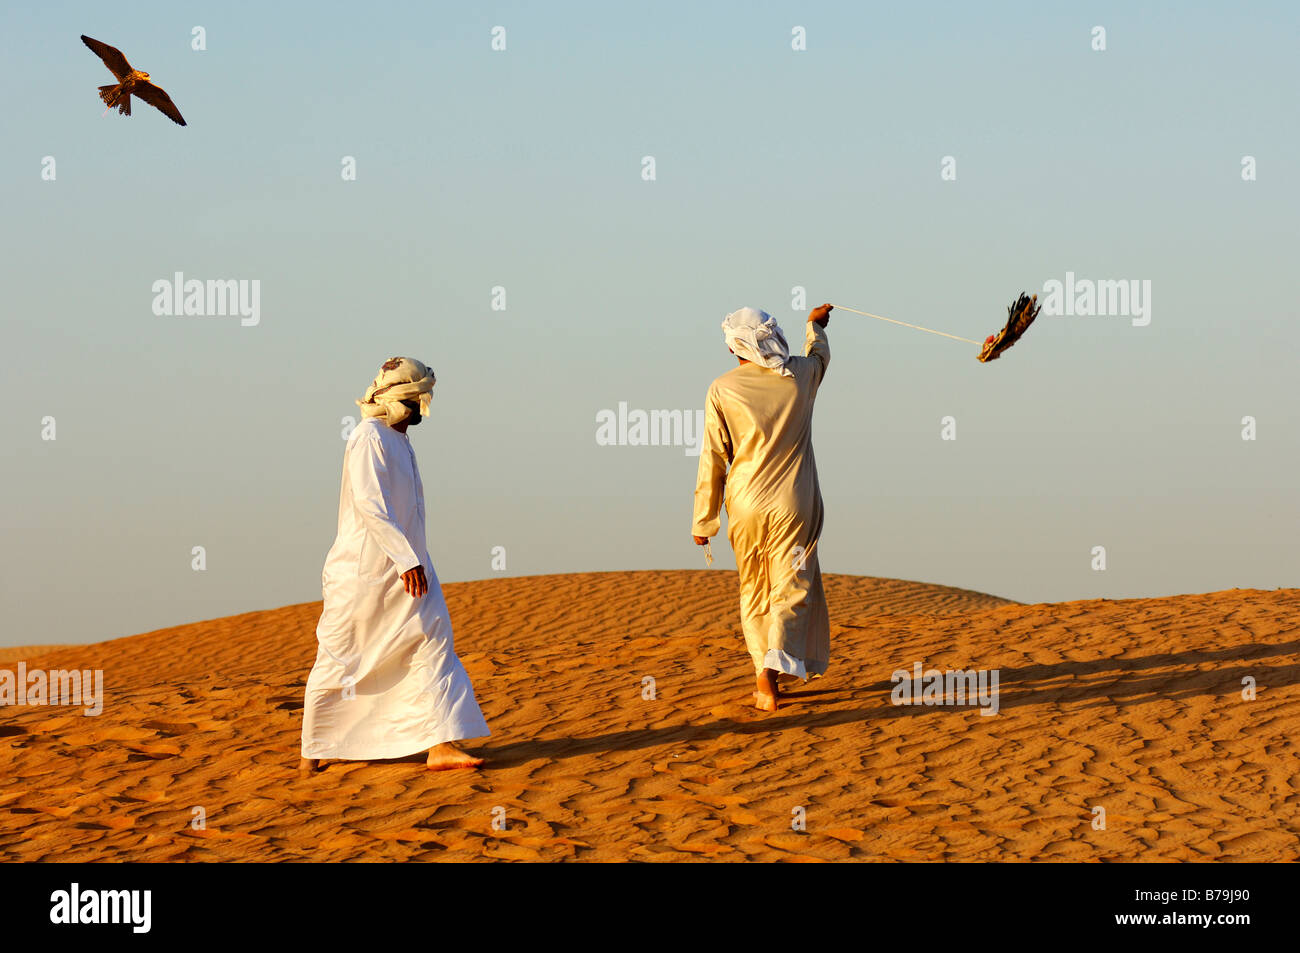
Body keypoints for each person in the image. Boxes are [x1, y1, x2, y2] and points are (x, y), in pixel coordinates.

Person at [300, 356, 489, 772]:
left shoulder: (398, 440)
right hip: (364, 573)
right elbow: (371, 506)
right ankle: (314, 752)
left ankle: (440, 745)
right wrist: (405, 560)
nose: (423, 406)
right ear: (401, 401)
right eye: (418, 398)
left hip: (408, 569)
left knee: (432, 639)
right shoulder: (368, 438)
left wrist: (411, 560)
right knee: (342, 657)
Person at [692, 305, 833, 711]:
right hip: (794, 501)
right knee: (792, 586)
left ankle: (763, 678)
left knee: (754, 588)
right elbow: (821, 356)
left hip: (746, 503)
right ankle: (773, 671)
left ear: (735, 346)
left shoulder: (722, 388)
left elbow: (714, 457)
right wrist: (815, 326)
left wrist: (704, 517)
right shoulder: (800, 376)